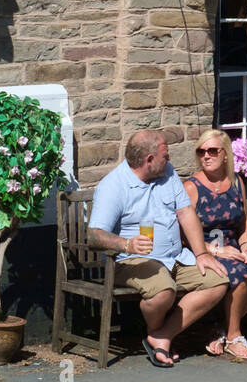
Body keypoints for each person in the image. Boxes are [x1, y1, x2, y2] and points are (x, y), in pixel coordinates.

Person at [88, 129, 229, 367]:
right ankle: (159, 336)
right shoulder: (114, 186)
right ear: (149, 160)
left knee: (218, 280)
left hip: (176, 257)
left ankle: (161, 336)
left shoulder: (167, 173)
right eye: (166, 155)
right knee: (164, 290)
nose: (170, 159)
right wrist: (126, 244)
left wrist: (202, 254)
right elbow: (94, 234)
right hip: (132, 262)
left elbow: (185, 212)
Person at [184, 128, 247, 360]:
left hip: (232, 249)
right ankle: (234, 337)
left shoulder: (236, 183)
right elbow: (182, 235)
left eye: (213, 150)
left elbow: (243, 220)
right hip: (203, 252)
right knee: (241, 275)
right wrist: (215, 250)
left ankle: (221, 330)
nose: (206, 155)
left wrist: (246, 243)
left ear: (225, 154)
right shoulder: (192, 188)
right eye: (201, 151)